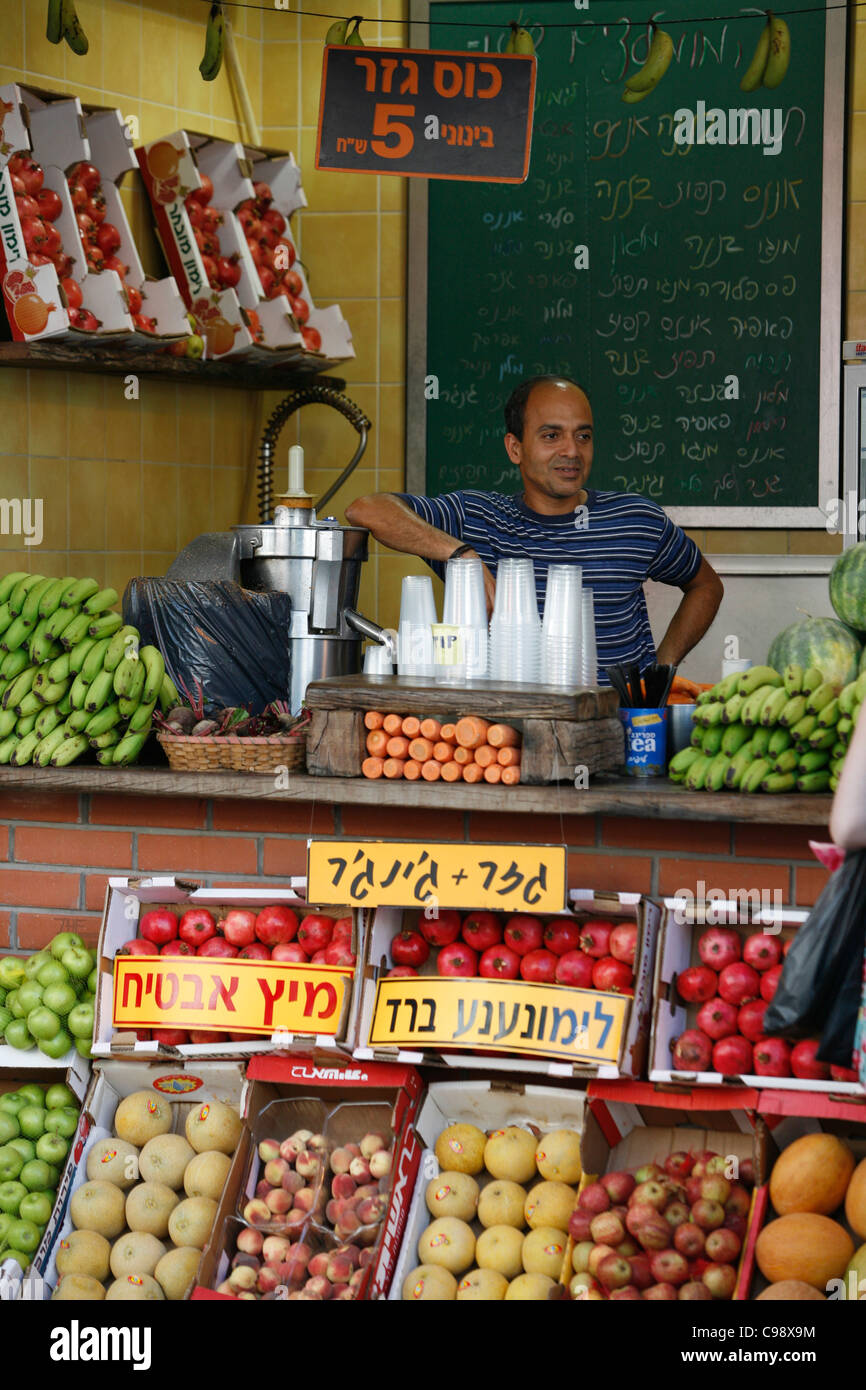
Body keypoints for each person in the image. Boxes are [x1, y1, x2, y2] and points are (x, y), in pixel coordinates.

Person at [345, 375, 724, 680]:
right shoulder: (477, 518)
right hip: (503, 739)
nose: (572, 451)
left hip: (622, 730)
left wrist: (662, 669)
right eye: (551, 435)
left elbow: (705, 585)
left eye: (583, 436)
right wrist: (461, 554)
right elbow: (367, 509)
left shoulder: (635, 519)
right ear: (515, 449)